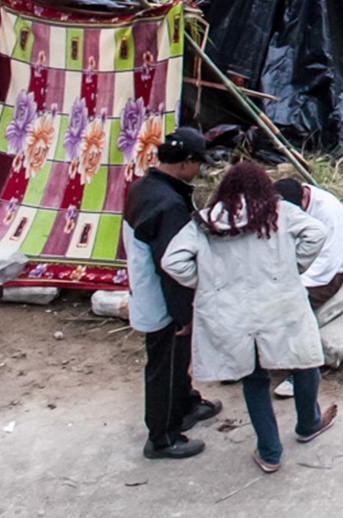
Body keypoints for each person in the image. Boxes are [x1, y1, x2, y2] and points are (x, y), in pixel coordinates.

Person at [160, 161, 335, 475]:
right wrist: (293, 266)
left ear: (225, 189)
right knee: (304, 360)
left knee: (254, 379)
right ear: (262, 187)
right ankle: (308, 423)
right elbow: (316, 233)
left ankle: (270, 452)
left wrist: (205, 280)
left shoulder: (207, 221)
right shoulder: (278, 212)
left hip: (231, 314)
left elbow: (172, 261)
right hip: (280, 304)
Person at [123, 126, 219, 460]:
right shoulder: (168, 205)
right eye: (198, 163)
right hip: (161, 302)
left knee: (178, 360)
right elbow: (172, 267)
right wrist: (182, 315)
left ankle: (186, 404)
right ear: (185, 162)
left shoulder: (145, 187)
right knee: (165, 365)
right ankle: (162, 437)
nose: (200, 171)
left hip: (148, 292)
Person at [271, 179, 343, 307]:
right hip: (295, 264)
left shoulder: (329, 213)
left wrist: (291, 284)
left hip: (327, 274)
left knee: (286, 307)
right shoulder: (284, 201)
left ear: (304, 197)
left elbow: (327, 262)